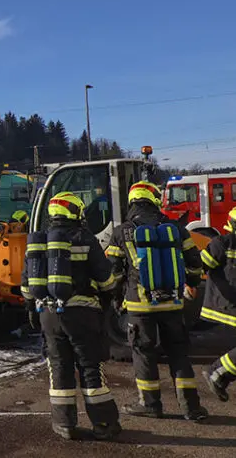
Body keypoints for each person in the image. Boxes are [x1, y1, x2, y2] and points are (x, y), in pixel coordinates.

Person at [105, 180, 208, 421]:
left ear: (132, 201)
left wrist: (117, 299)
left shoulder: (122, 232)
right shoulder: (176, 229)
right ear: (154, 200)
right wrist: (191, 285)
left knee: (143, 353)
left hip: (139, 306)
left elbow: (114, 274)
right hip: (172, 302)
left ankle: (150, 404)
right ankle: (191, 407)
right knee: (178, 352)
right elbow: (195, 263)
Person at [22, 191, 121, 440]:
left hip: (48, 315)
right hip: (82, 315)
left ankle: (64, 425)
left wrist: (33, 310)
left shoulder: (39, 241)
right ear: (75, 212)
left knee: (59, 368)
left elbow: (25, 286)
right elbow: (107, 280)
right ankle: (104, 424)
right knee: (89, 368)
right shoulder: (84, 238)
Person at [200, 204, 236, 400]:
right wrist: (189, 285)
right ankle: (216, 373)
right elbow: (200, 265)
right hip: (232, 305)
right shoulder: (222, 243)